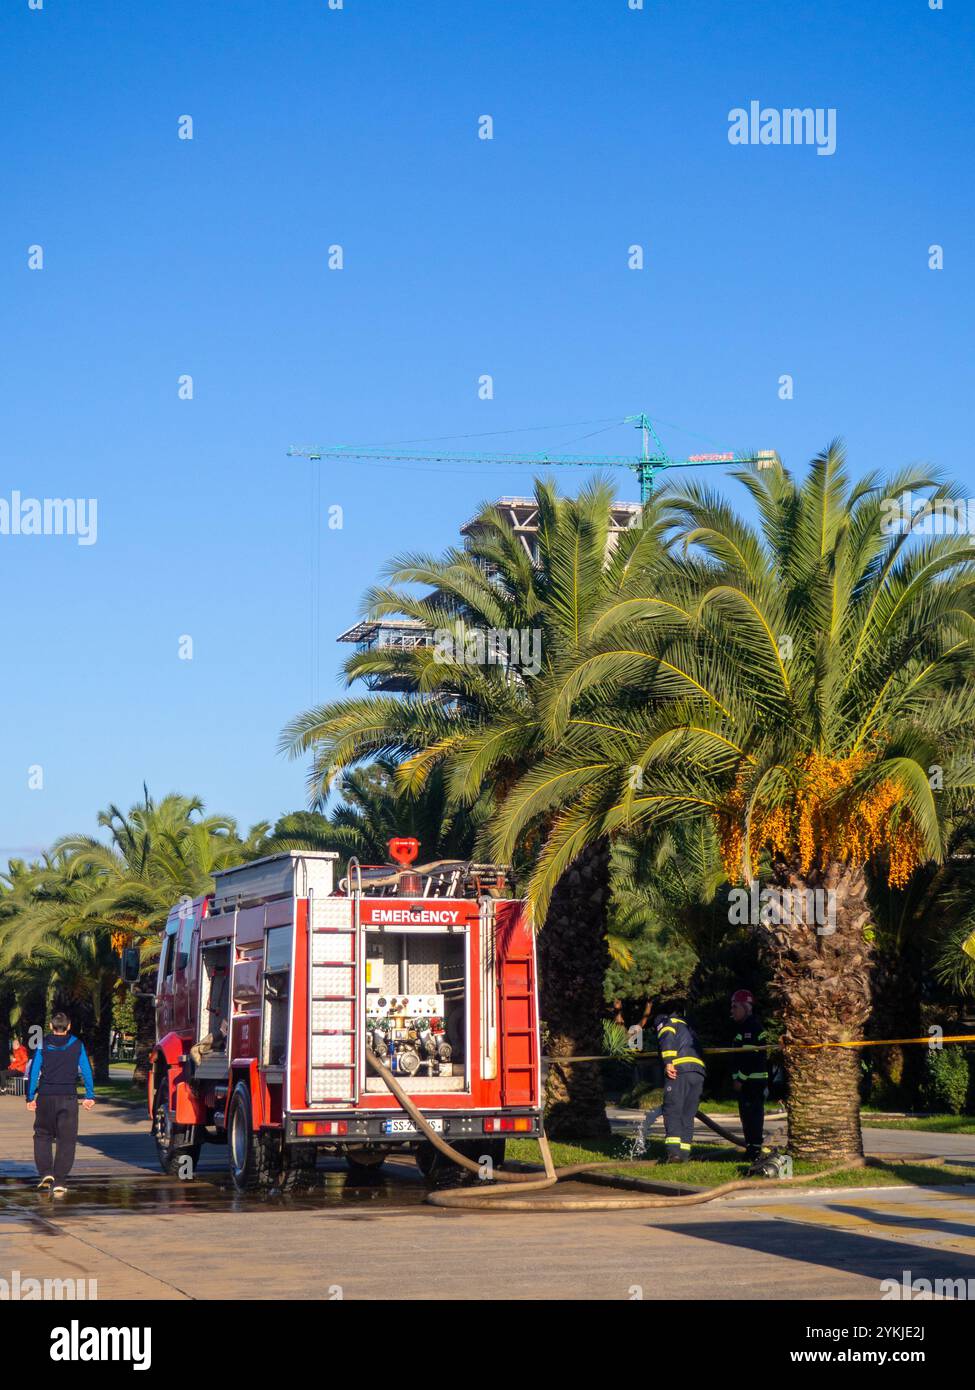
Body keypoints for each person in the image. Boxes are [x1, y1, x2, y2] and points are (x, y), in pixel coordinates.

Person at [25, 1012, 96, 1195]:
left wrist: (30, 1097)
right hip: (68, 1098)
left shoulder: (42, 1044)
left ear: (50, 1026)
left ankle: (46, 1173)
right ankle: (60, 1180)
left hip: (46, 1097)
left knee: (42, 1135)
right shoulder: (77, 1044)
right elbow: (86, 1070)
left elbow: (34, 1072)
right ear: (69, 1026)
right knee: (67, 1140)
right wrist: (89, 1095)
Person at [653, 1005, 706, 1163]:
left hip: (679, 1070)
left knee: (672, 1111)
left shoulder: (667, 1023)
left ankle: (674, 1154)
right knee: (687, 1115)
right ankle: (684, 1154)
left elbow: (667, 1039)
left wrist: (668, 1062)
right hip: (698, 1074)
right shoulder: (688, 1028)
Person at [730, 988, 769, 1162]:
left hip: (752, 1083)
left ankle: (754, 1150)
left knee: (752, 1117)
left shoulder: (752, 1028)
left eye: (735, 1006)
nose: (732, 1011)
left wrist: (740, 1079)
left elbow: (751, 1057)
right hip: (749, 1082)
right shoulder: (744, 1027)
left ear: (747, 1007)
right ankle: (751, 1148)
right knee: (747, 1118)